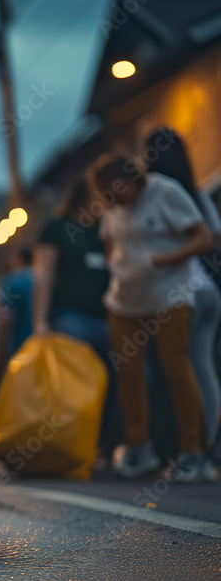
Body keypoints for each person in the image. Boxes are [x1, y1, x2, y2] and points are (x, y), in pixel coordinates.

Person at [90, 153, 213, 482]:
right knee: (128, 373)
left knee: (176, 366)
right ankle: (139, 449)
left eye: (118, 191)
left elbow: (204, 238)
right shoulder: (114, 207)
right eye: (106, 195)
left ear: (133, 180)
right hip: (124, 301)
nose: (114, 200)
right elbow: (108, 242)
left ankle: (192, 452)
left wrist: (161, 259)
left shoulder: (166, 192)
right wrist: (118, 266)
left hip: (169, 293)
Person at [145, 127, 221, 481]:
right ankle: (207, 454)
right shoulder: (197, 194)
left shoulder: (156, 194)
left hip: (179, 295)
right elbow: (214, 238)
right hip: (208, 292)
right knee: (203, 370)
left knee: (179, 374)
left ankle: (190, 454)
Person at [33, 177, 122, 459]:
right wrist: (40, 321)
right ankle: (69, 446)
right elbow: (43, 276)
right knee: (75, 384)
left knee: (112, 382)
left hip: (107, 318)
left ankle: (104, 446)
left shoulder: (102, 230)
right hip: (70, 317)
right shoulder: (56, 228)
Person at [0, 246, 34, 361]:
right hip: (43, 342)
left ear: (18, 259)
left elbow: (6, 317)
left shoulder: (11, 281)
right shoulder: (42, 279)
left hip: (19, 345)